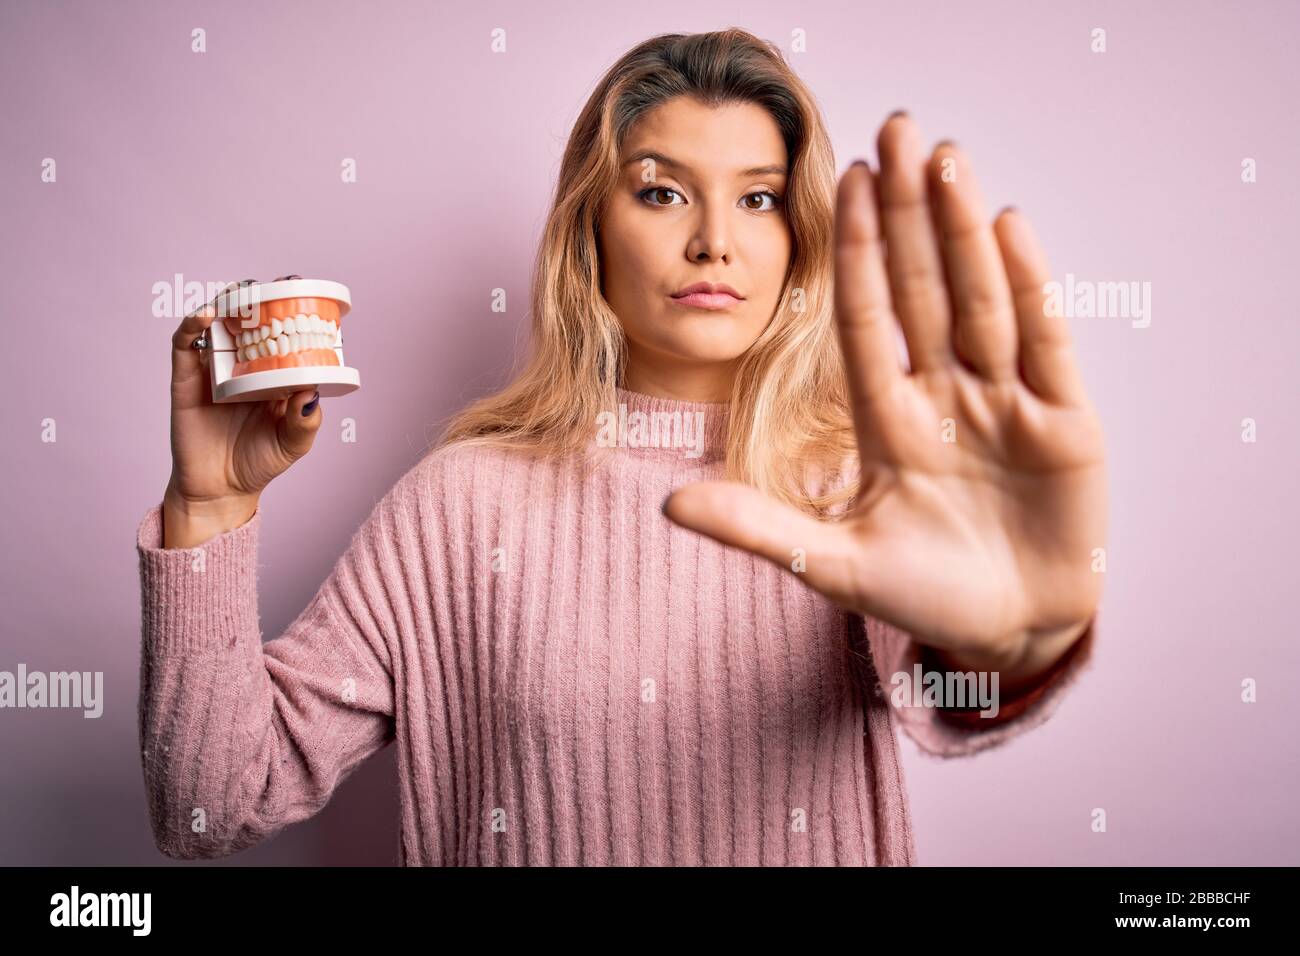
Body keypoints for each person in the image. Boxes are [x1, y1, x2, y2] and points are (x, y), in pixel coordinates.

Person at [136, 27, 1105, 866]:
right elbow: (208, 804)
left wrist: (1010, 647)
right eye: (661, 193)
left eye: (758, 199)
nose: (714, 241)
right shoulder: (459, 505)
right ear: (589, 231)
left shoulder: (859, 490)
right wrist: (210, 512)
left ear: (799, 238)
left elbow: (955, 689)